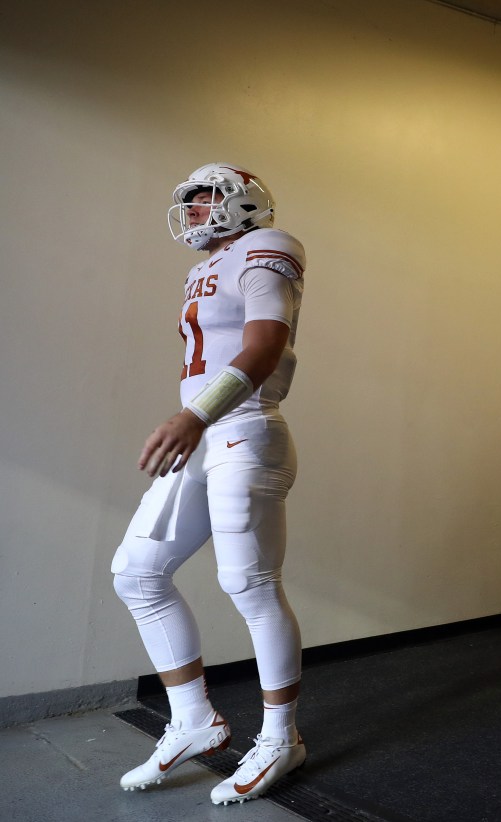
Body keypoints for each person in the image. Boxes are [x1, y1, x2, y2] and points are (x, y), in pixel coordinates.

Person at [112, 164, 307, 804]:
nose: (193, 207)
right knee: (137, 571)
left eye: (205, 196)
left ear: (244, 201)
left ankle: (281, 737)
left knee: (246, 582)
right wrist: (196, 419)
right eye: (188, 199)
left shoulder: (268, 247)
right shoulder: (202, 266)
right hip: (207, 434)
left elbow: (266, 345)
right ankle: (195, 719)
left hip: (243, 429)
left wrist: (194, 414)